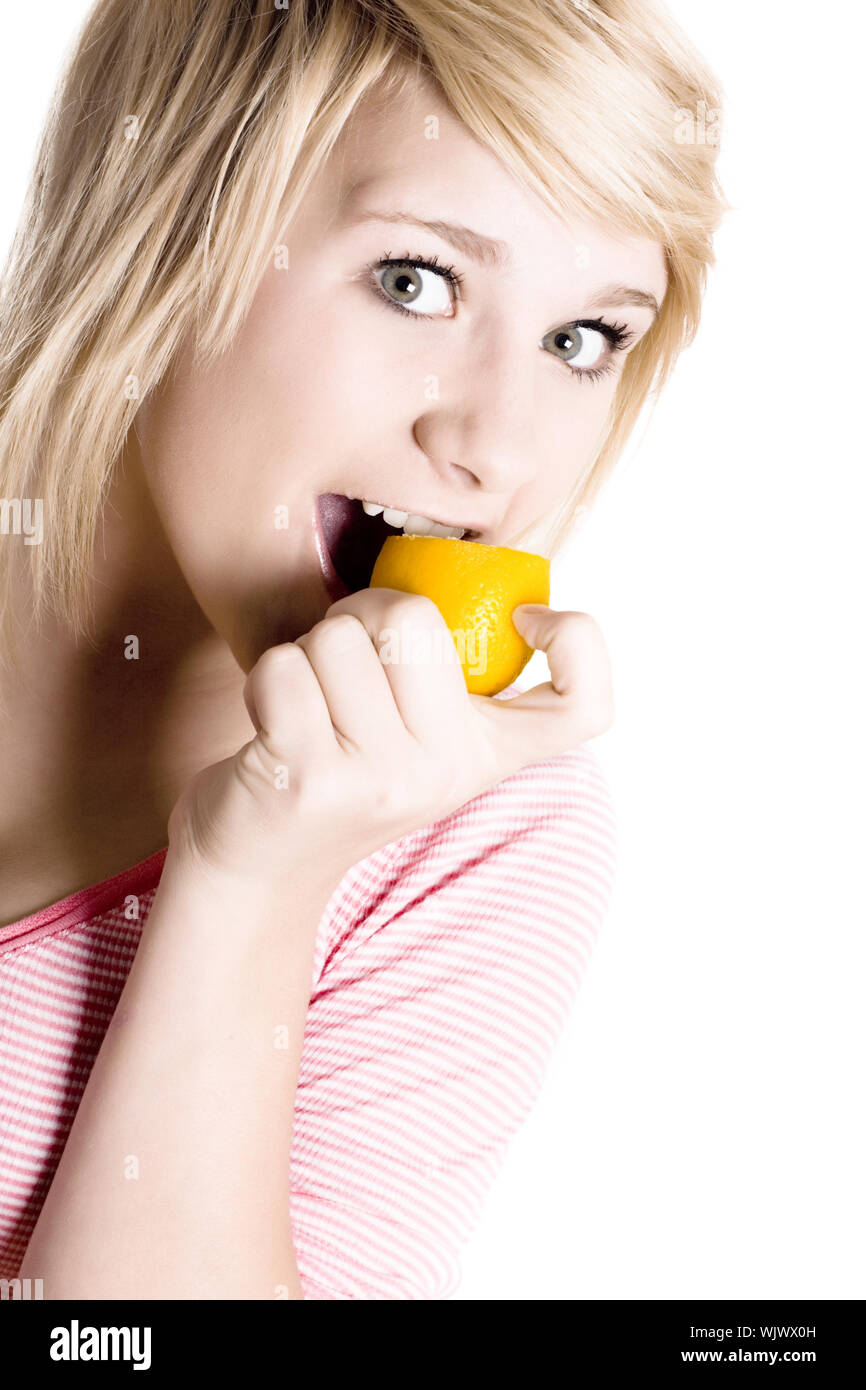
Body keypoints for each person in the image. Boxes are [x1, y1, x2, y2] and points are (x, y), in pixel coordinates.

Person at [0, 0, 725, 1298]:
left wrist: (252, 884)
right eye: (415, 280)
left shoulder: (478, 838)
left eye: (581, 338)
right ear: (157, 228)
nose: (498, 445)